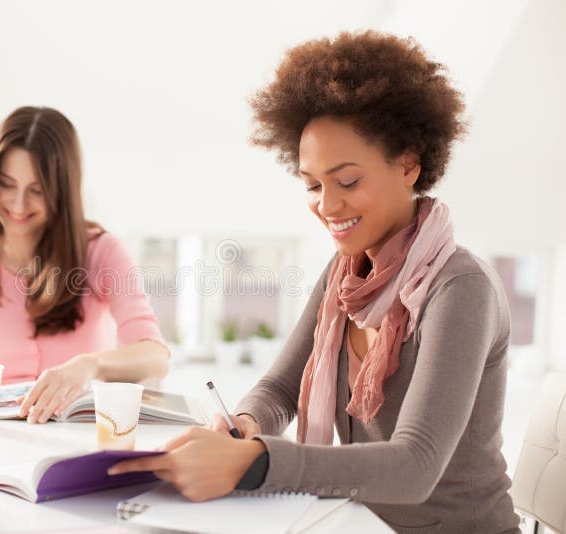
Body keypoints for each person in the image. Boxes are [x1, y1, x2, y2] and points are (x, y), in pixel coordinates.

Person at [109, 31, 521, 533]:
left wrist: (258, 463)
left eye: (347, 181)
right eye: (312, 184)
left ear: (408, 165)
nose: (327, 206)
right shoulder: (345, 275)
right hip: (359, 521)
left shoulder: (460, 288)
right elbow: (281, 386)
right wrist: (248, 424)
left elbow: (415, 467)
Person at [0, 106, 170, 424]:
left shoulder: (102, 253)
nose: (18, 204)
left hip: (76, 441)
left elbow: (156, 356)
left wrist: (89, 366)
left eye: (36, 190)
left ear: (62, 193)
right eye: (7, 185)